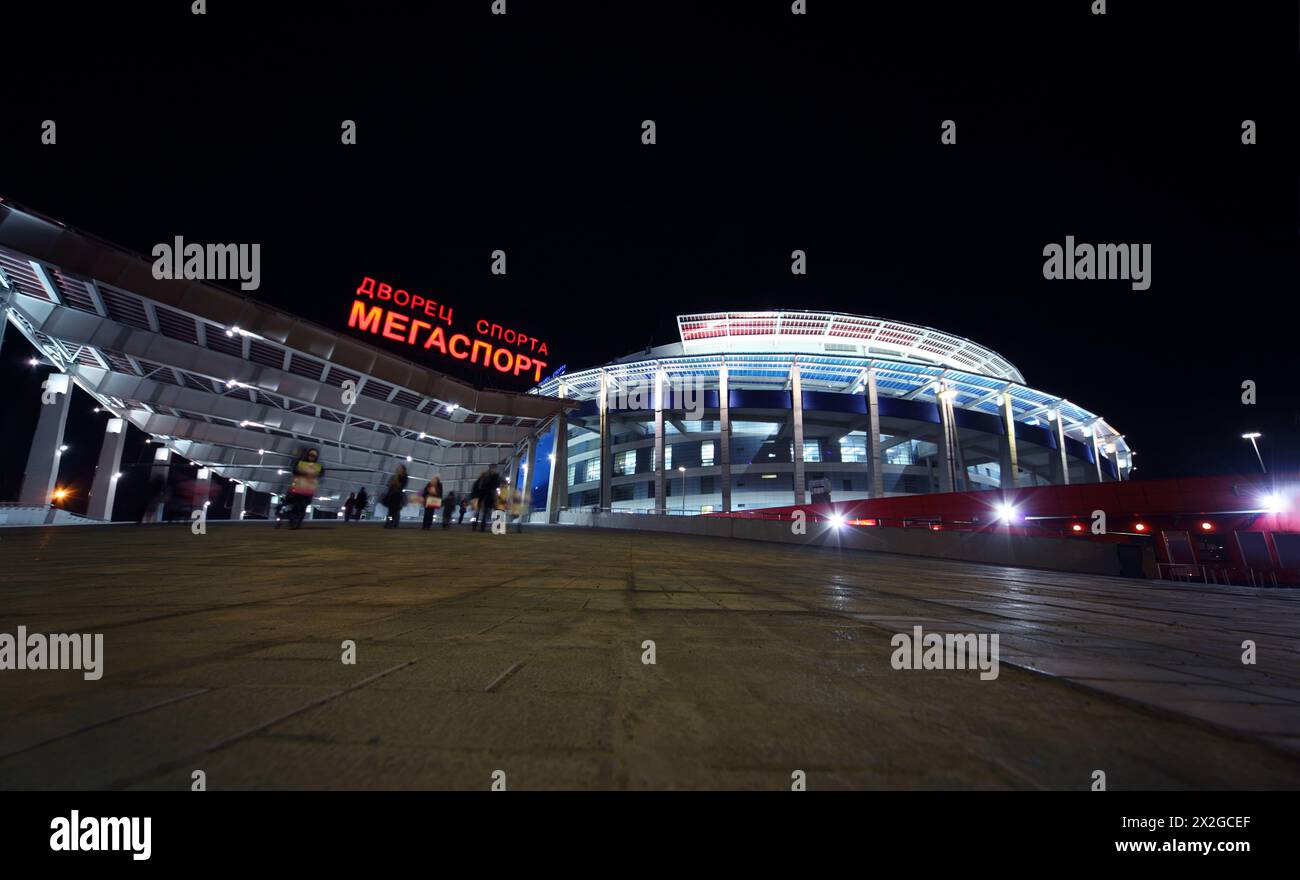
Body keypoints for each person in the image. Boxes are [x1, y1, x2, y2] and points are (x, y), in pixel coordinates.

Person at [287, 448, 324, 527]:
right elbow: (294, 471)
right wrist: (303, 473)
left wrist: (316, 473)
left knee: (303, 507)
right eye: (311, 455)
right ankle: (293, 521)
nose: (312, 457)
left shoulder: (318, 467)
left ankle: (298, 523)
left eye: (314, 456)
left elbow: (321, 474)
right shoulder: (300, 463)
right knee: (296, 505)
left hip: (308, 490)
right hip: (299, 489)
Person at [474, 465, 502, 532]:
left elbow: (481, 486)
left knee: (486, 512)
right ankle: (488, 527)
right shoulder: (493, 476)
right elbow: (496, 485)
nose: (494, 469)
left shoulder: (486, 475)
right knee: (489, 511)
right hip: (489, 495)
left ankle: (481, 527)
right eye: (493, 468)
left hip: (486, 495)